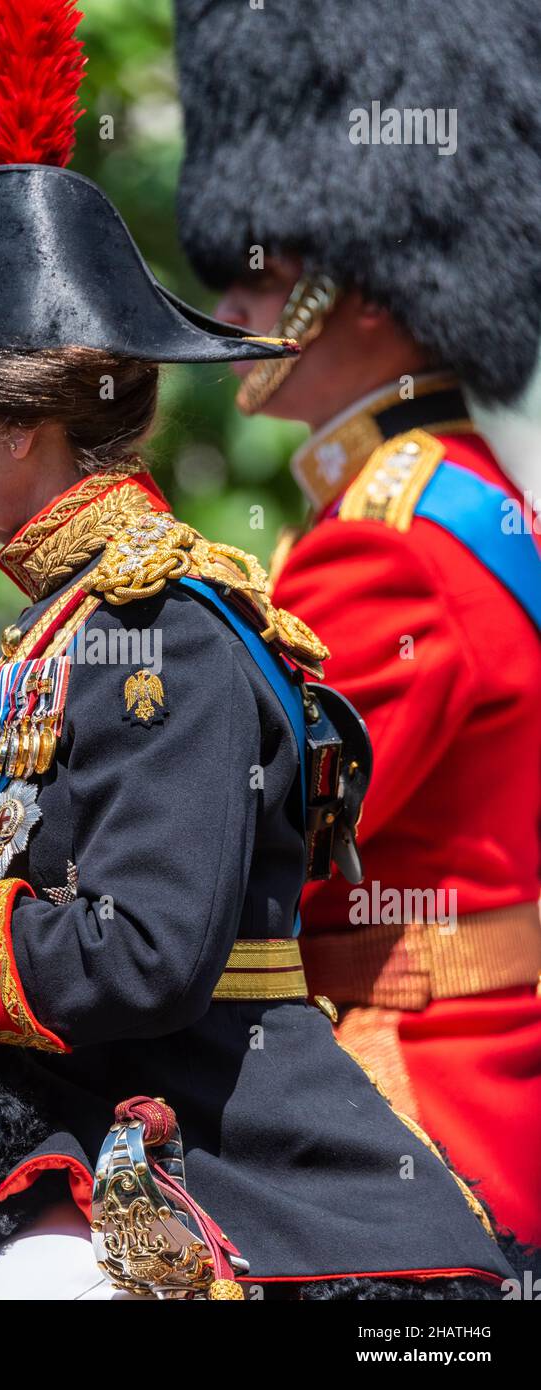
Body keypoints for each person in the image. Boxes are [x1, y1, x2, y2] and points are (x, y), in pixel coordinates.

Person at [0, 0, 517, 1301]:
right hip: (95, 1102)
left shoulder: (164, 622)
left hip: (233, 1135)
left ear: (22, 420)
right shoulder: (64, 625)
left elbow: (155, 936)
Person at [172, 0, 541, 1246]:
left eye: (264, 270)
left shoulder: (388, 548)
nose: (231, 302)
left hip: (407, 1097)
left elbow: (231, 854)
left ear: (368, 289)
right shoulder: (464, 501)